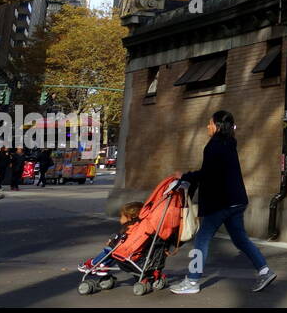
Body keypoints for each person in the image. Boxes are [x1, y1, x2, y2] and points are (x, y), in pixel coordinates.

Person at [170, 110, 276, 294]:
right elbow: (216, 172)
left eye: (210, 123)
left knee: (202, 239)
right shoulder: (229, 144)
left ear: (218, 126)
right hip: (236, 201)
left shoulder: (213, 146)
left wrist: (184, 177)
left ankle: (192, 281)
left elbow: (208, 174)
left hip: (220, 203)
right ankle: (265, 271)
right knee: (240, 239)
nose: (207, 126)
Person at [78, 202, 145, 273]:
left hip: (127, 252)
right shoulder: (139, 227)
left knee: (109, 250)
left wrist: (111, 243)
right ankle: (104, 265)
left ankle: (92, 264)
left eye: (121, 216)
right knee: (115, 252)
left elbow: (120, 241)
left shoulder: (129, 228)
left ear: (130, 218)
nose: (120, 219)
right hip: (133, 251)